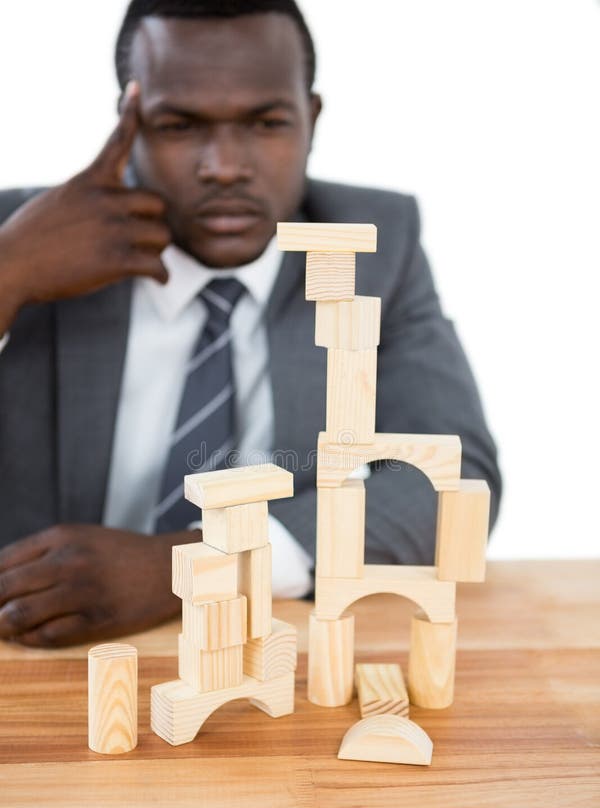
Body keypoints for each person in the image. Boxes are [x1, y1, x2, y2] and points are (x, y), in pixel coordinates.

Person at [0, 0, 502, 648]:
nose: (225, 166)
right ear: (128, 120)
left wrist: (196, 565)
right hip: (40, 656)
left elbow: (457, 482)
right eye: (179, 125)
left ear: (311, 119)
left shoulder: (376, 242)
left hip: (269, 646)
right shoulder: (23, 235)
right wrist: (7, 273)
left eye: (266, 122)